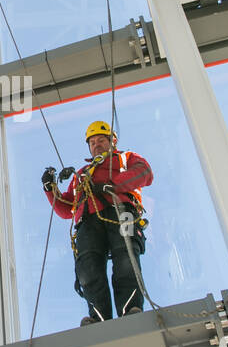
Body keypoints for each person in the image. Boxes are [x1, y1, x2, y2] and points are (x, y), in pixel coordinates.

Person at [41, 120, 153, 326]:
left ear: (112, 141)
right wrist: (50, 188)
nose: (96, 144)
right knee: (88, 268)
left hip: (122, 211)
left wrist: (111, 185)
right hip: (88, 221)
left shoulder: (125, 159)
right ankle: (98, 318)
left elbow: (144, 172)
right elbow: (66, 208)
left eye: (101, 140)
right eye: (92, 142)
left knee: (126, 259)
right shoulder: (82, 175)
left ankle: (131, 310)